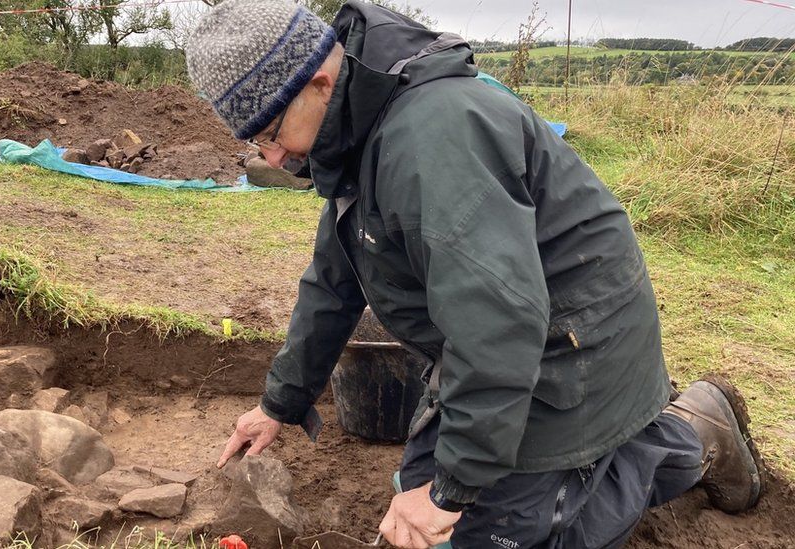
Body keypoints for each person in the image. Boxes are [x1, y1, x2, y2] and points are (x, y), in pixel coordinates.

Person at [185, 1, 766, 547]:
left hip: (572, 344)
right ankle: (629, 445)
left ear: (318, 84)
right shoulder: (356, 134)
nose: (274, 159)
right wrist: (279, 403)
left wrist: (451, 494)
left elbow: (500, 323)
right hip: (511, 338)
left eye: (269, 133)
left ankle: (696, 439)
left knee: (484, 532)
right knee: (425, 499)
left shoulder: (431, 141)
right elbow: (334, 280)